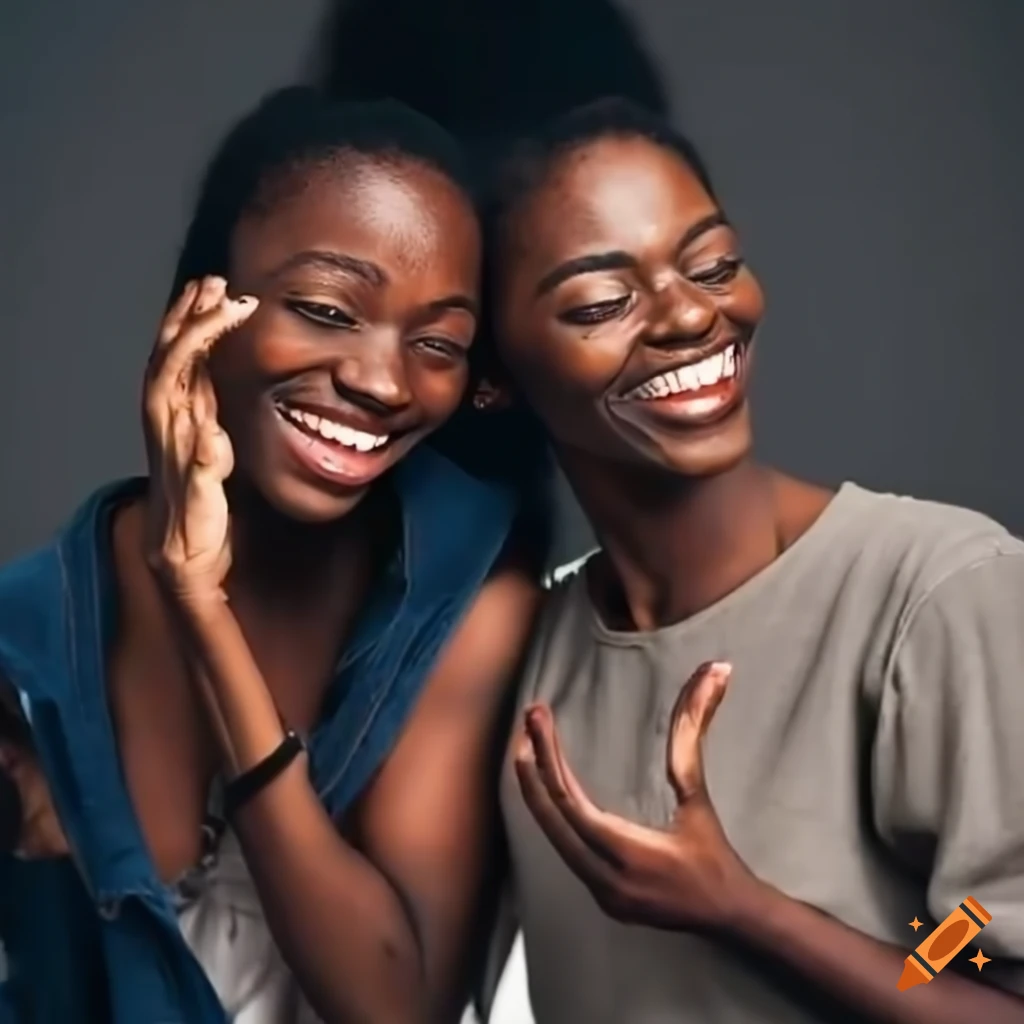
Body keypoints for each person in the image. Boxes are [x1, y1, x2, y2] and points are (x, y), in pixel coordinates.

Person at [0, 87, 547, 1024]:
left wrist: (200, 607)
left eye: (437, 343)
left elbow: (395, 1007)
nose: (382, 382)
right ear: (200, 303)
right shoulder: (29, 634)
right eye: (327, 309)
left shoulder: (466, 599)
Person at [482, 98, 1024, 1023]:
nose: (692, 312)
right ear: (491, 373)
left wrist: (749, 912)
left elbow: (978, 962)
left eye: (713, 265)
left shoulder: (936, 593)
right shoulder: (525, 654)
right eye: (603, 303)